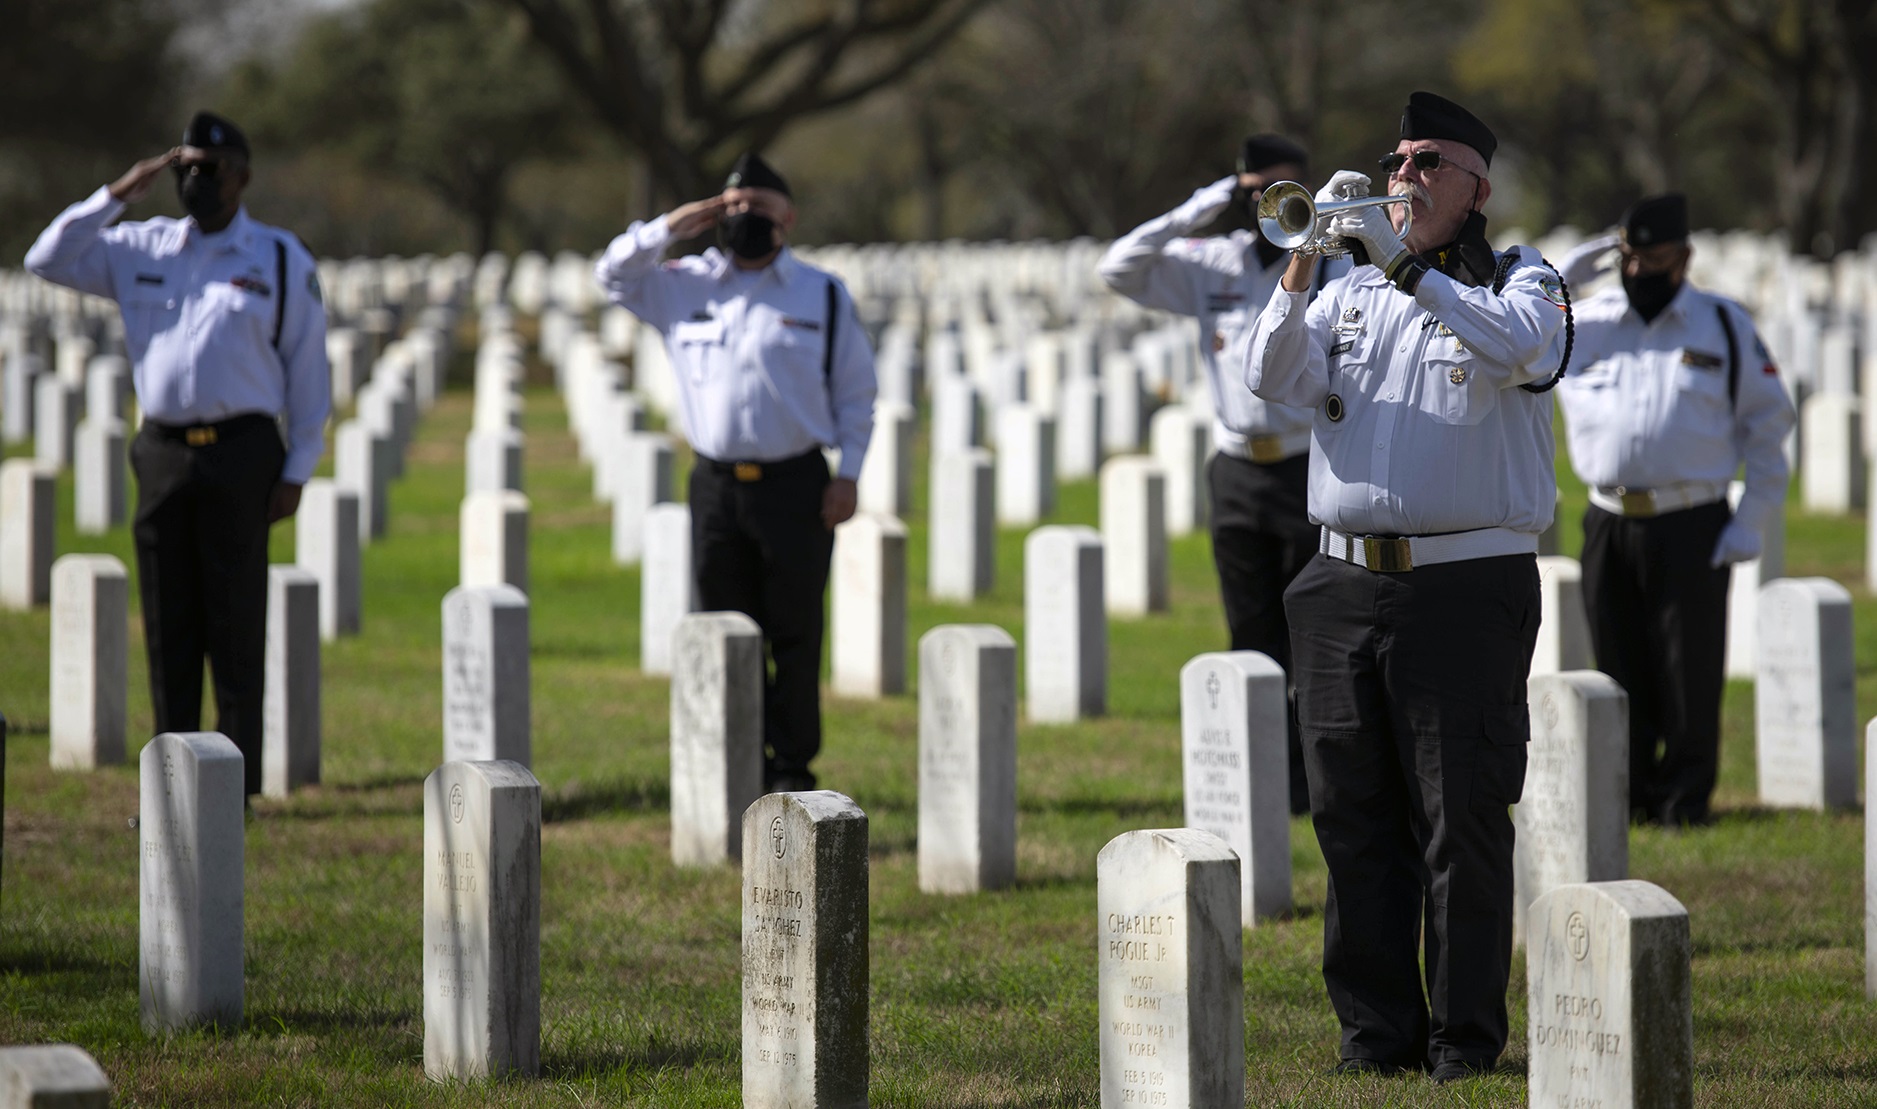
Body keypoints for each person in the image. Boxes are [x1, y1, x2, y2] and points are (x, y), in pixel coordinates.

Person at [1243, 92, 1572, 1081]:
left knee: (1458, 821)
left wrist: (1405, 267)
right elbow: (1267, 373)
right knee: (1352, 818)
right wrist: (1305, 254)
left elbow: (1525, 352)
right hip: (1339, 584)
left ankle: (1461, 1041)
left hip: (1461, 589)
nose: (1402, 176)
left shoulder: (1522, 280)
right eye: (1394, 160)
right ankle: (1372, 1033)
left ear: (1474, 184)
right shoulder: (1347, 292)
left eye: (1426, 161)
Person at [25, 112, 329, 799]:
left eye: (210, 169)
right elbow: (47, 258)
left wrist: (298, 468)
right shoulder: (142, 246)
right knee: (169, 621)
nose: (195, 180)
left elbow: (308, 371)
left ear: (242, 177)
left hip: (243, 450)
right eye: (185, 166)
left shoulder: (279, 259)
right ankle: (174, 790)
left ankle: (234, 792)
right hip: (162, 451)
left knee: (235, 618)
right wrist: (117, 195)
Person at [594, 153, 875, 793]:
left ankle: (791, 772)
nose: (746, 218)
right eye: (735, 207)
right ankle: (735, 766)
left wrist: (849, 474)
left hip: (796, 484)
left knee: (795, 633)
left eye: (760, 209)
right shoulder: (682, 285)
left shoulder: (821, 295)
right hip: (717, 486)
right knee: (725, 632)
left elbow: (858, 394)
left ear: (789, 218)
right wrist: (671, 226)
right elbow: (610, 275)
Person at [1098, 134, 1344, 815]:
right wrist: (1204, 204)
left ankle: (1309, 777)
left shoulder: (1328, 267)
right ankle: (1257, 776)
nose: (1267, 204)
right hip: (1235, 470)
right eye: (1256, 191)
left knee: (1312, 635)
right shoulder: (1213, 263)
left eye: (1281, 189)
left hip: (1307, 465)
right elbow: (1118, 268)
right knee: (1249, 629)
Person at [1555, 195, 1794, 827]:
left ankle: (1686, 801)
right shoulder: (1590, 320)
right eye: (1629, 259)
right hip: (1608, 517)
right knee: (1618, 660)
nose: (1638, 273)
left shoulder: (1721, 324)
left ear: (1684, 258)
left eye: (1654, 259)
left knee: (1688, 666)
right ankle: (1628, 793)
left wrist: (1752, 521)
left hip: (1692, 517)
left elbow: (1770, 426)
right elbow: (1523, 350)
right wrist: (1563, 281)